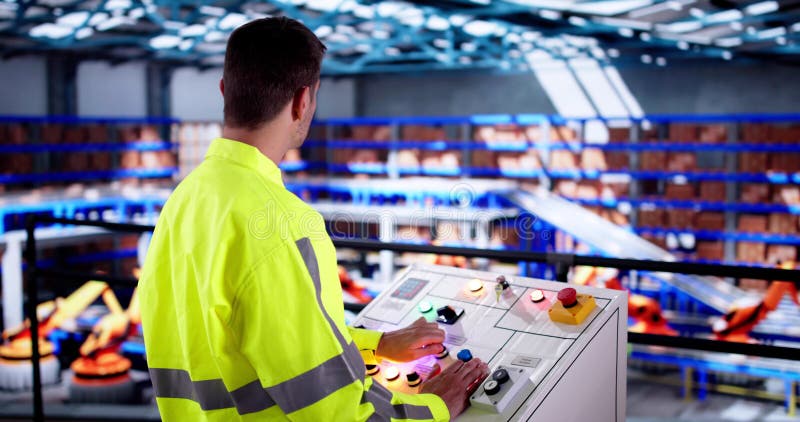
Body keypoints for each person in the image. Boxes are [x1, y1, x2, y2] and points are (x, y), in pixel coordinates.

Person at [139, 17, 488, 421]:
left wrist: (378, 343)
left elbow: (251, 343)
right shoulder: (284, 224)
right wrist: (434, 406)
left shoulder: (183, 201)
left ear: (224, 92)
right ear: (303, 101)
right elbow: (334, 414)